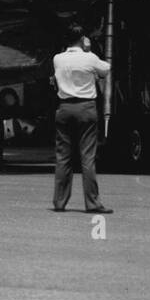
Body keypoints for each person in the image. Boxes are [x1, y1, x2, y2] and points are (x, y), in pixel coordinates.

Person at [51, 23, 112, 213]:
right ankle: (92, 203)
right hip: (86, 108)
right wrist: (89, 49)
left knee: (63, 157)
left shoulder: (57, 59)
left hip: (64, 108)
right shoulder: (90, 58)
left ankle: (59, 202)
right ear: (82, 39)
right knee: (87, 157)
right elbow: (105, 70)